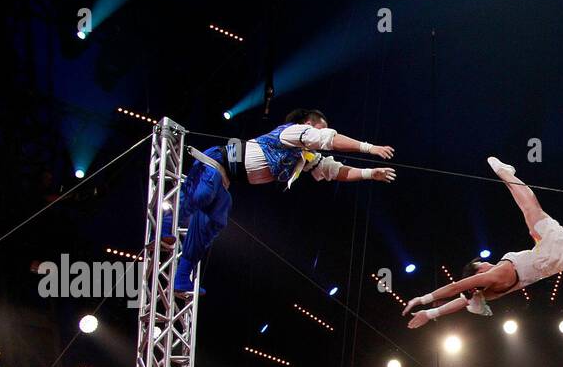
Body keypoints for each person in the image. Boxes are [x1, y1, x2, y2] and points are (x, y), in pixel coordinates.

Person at [165, 108, 396, 294]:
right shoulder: (292, 132)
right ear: (307, 123)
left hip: (226, 180)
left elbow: (333, 170)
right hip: (214, 161)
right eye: (320, 128)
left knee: (214, 222)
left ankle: (181, 277)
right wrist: (369, 148)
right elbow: (329, 140)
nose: (321, 135)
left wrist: (369, 173)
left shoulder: (304, 156)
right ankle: (166, 225)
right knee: (201, 194)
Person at [402, 158, 563, 327]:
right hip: (551, 253)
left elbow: (462, 300)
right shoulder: (494, 275)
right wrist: (422, 299)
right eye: (483, 264)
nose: (488, 263)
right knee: (530, 207)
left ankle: (508, 175)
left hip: (556, 260)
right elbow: (455, 287)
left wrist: (430, 313)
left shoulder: (487, 293)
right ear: (479, 272)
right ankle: (503, 173)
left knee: (530, 220)